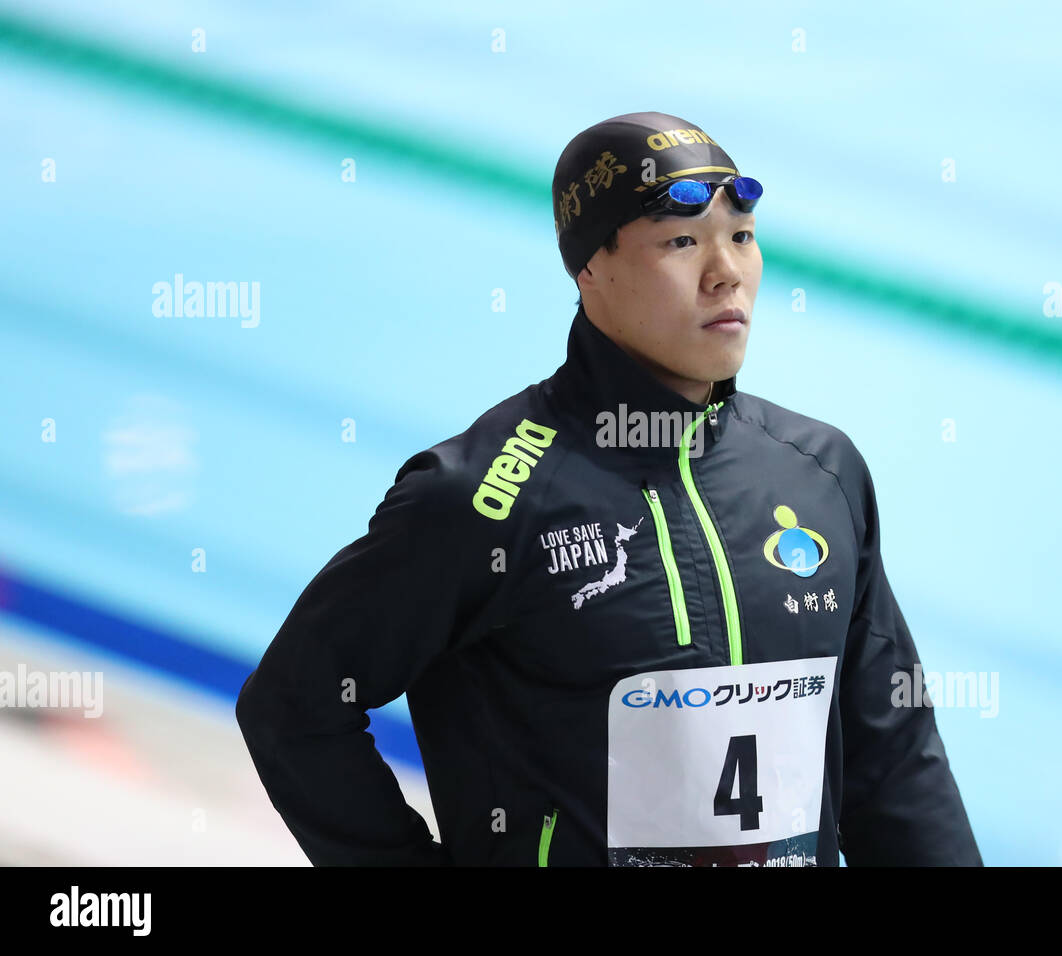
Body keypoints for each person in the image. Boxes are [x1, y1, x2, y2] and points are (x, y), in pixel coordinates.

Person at [236, 110, 982, 866]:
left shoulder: (818, 472)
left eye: (743, 236)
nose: (725, 271)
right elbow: (294, 710)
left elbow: (894, 755)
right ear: (589, 266)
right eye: (682, 241)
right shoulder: (485, 499)